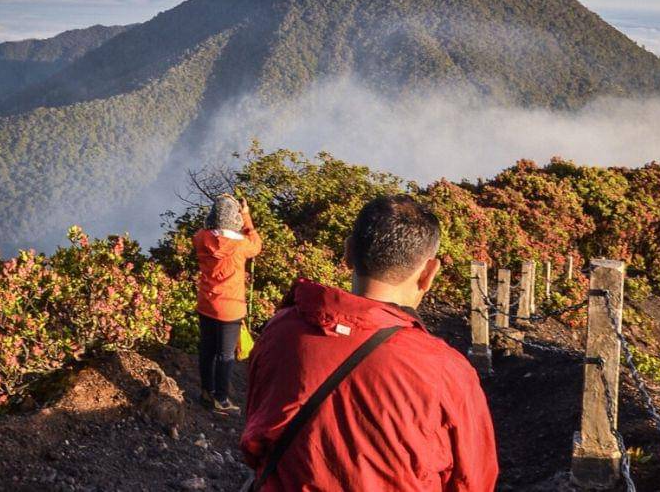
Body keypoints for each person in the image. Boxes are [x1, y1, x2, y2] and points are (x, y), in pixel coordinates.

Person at [241, 195, 498, 491]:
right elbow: (473, 481)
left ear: (348, 251)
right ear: (429, 273)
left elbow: (256, 436)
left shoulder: (280, 332)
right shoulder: (448, 371)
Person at [194, 193, 262, 413]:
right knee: (225, 355)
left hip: (206, 303)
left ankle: (206, 392)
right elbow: (256, 246)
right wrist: (246, 215)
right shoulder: (240, 246)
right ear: (234, 219)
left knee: (207, 349)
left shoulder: (201, 238)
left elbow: (210, 231)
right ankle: (221, 400)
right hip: (230, 310)